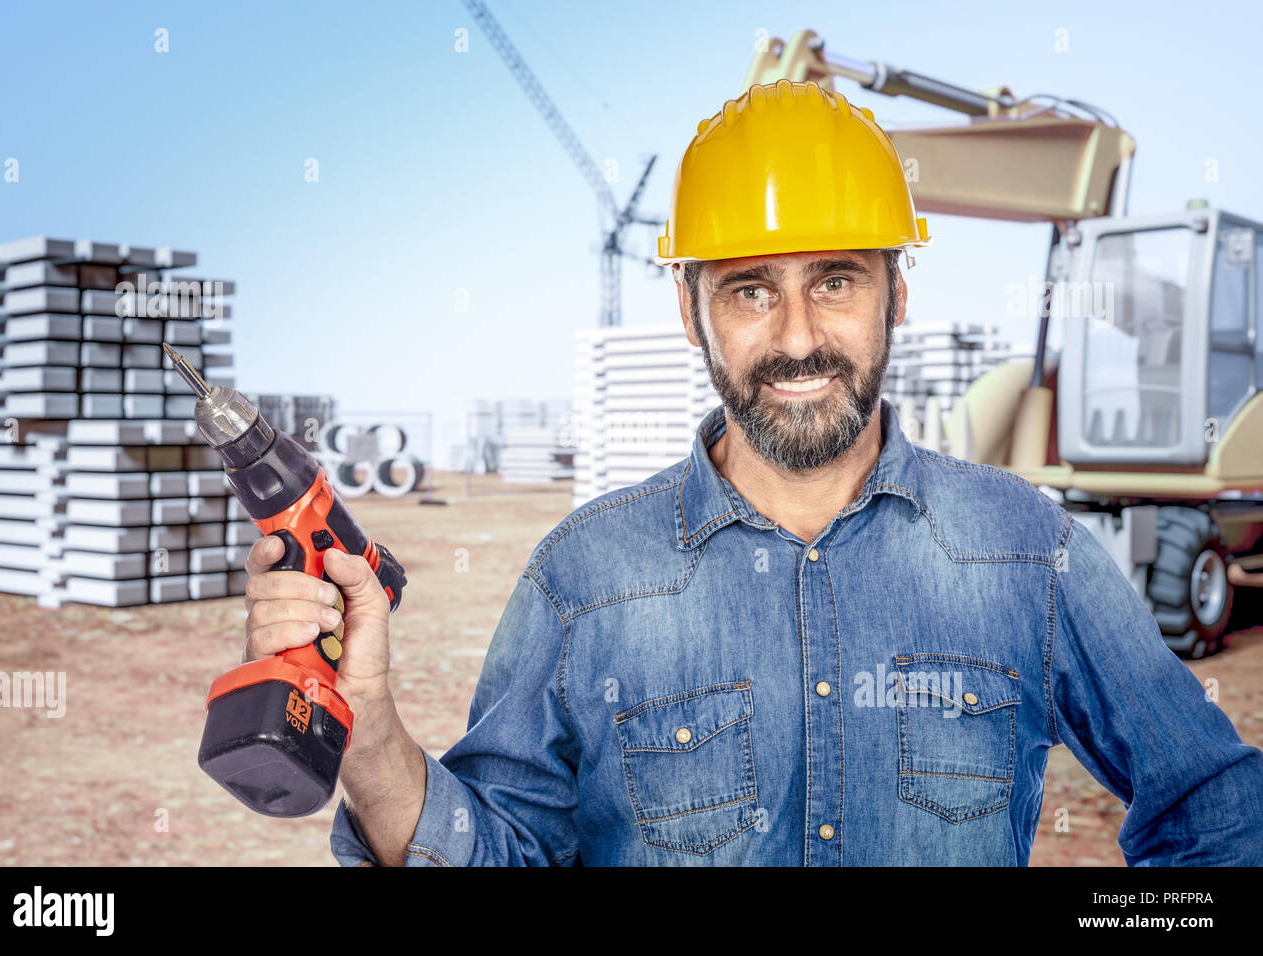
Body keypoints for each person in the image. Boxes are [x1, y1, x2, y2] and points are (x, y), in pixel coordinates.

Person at [242, 79, 1263, 865]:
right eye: (749, 291)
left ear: (897, 294)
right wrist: (368, 733)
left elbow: (1219, 811)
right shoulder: (585, 579)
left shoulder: (1027, 552)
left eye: (836, 280)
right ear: (691, 314)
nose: (799, 336)